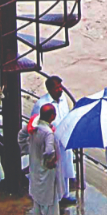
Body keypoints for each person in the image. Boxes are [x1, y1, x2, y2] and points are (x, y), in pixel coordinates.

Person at [17, 103, 71, 215]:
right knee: (51, 201)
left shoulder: (33, 126)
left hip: (35, 168)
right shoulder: (48, 133)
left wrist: (26, 148)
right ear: (52, 117)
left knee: (38, 199)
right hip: (46, 171)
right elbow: (49, 151)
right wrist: (50, 161)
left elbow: (21, 135)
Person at [31, 75, 77, 206]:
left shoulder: (63, 100)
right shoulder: (42, 104)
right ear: (50, 89)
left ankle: (65, 195)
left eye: (60, 87)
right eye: (57, 88)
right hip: (51, 142)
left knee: (66, 168)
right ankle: (55, 199)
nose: (60, 90)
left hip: (64, 140)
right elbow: (35, 124)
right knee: (54, 172)